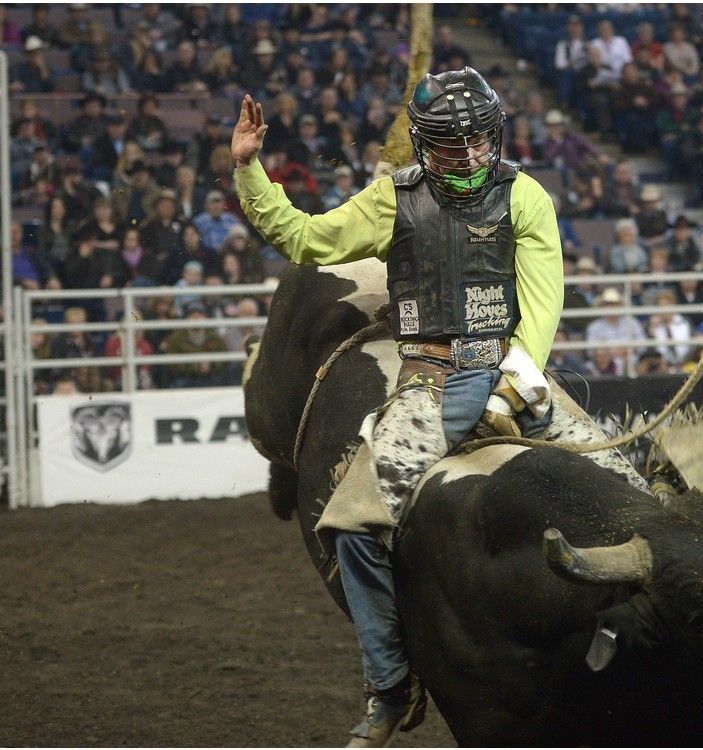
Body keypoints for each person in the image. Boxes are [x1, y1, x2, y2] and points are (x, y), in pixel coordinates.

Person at [231, 68, 647, 747]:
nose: (471, 155)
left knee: (636, 495)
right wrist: (250, 172)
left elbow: (541, 301)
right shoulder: (391, 200)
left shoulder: (526, 196)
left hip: (513, 368)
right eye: (454, 146)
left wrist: (520, 374)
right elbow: (307, 241)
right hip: (428, 380)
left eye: (480, 141)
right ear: (426, 146)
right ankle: (390, 682)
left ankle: (633, 641)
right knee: (356, 522)